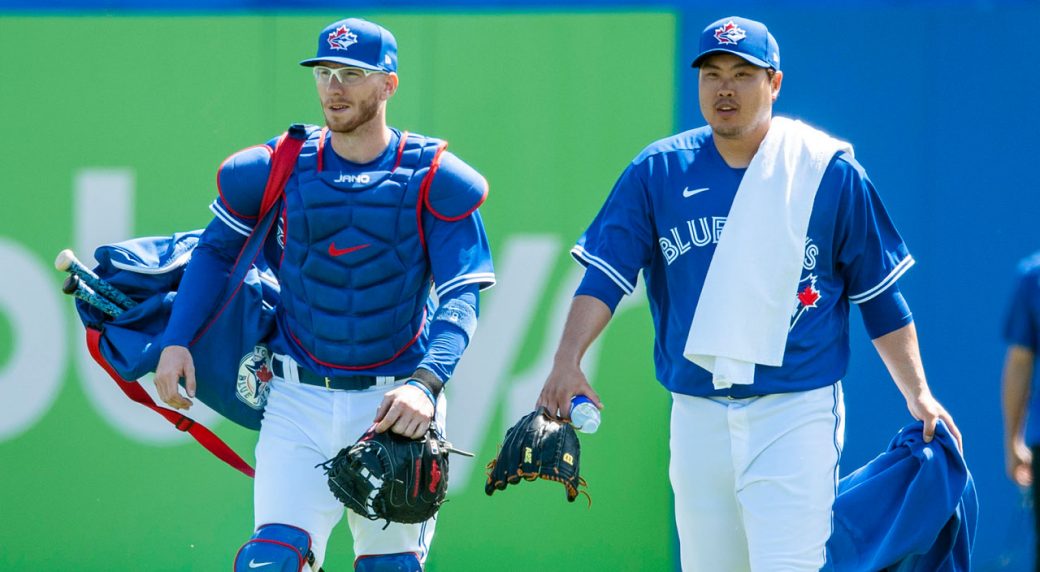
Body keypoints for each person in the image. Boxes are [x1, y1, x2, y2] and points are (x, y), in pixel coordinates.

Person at [537, 15, 961, 571]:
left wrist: (918, 393)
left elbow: (879, 296)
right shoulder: (659, 170)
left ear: (775, 83)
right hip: (696, 412)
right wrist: (567, 360)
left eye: (742, 73)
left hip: (793, 410)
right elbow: (606, 277)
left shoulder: (822, 171)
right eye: (711, 74)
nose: (725, 88)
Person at [153, 17, 494, 572]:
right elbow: (214, 253)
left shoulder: (433, 176)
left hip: (394, 407)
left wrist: (426, 387)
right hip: (297, 398)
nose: (334, 87)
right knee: (270, 562)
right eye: (324, 72)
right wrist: (176, 341)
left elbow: (462, 297)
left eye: (352, 74)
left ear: (388, 85)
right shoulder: (279, 167)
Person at [1002, 251, 1040, 570]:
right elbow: (1020, 361)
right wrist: (1014, 441)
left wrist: (1014, 442)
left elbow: (1019, 361)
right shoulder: (1033, 276)